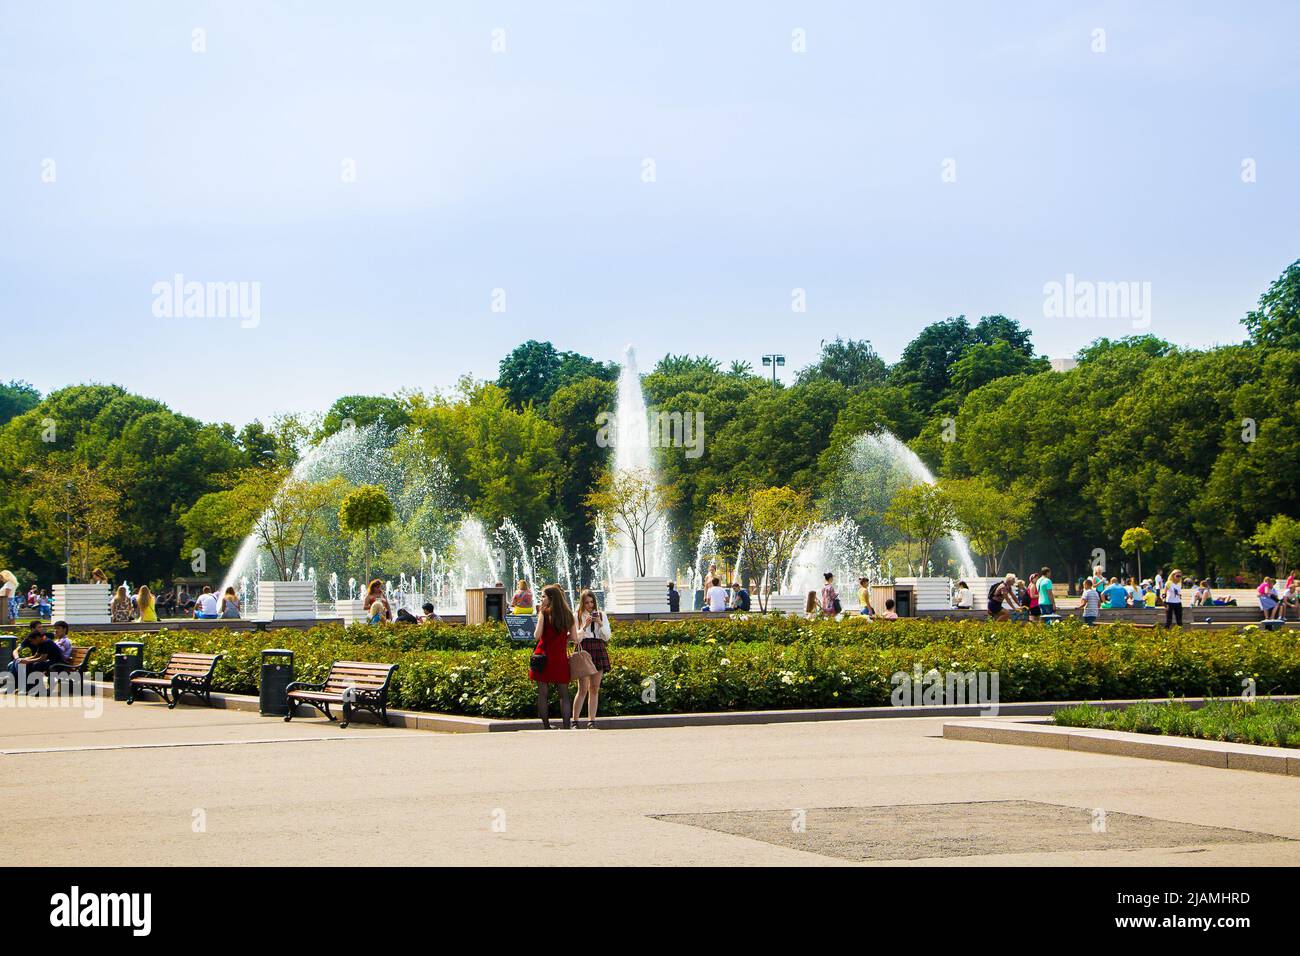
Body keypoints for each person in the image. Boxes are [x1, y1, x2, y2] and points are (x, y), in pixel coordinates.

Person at [529, 583, 574, 729]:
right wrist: (562, 638)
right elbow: (575, 637)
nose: (541, 599)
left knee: (543, 693)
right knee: (564, 694)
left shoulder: (544, 613)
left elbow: (537, 636)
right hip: (560, 658)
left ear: (551, 598)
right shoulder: (568, 614)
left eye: (543, 596)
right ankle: (567, 726)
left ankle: (546, 726)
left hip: (543, 656)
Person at [572, 589, 611, 729]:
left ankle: (591, 721)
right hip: (584, 648)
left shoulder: (602, 615)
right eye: (587, 602)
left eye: (592, 602)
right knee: (582, 688)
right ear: (582, 603)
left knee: (594, 688)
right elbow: (575, 638)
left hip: (598, 647)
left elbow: (607, 637)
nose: (590, 605)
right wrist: (584, 626)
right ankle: (575, 721)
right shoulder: (576, 615)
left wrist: (600, 623)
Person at [6, 622, 66, 692]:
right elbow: (36, 655)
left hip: (57, 663)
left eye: (32, 641)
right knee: (22, 664)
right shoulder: (40, 642)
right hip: (51, 662)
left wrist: (27, 661)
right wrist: (24, 659)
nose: (31, 643)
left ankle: (36, 687)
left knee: (35, 665)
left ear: (37, 638)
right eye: (39, 627)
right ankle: (26, 687)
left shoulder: (46, 642)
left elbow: (42, 658)